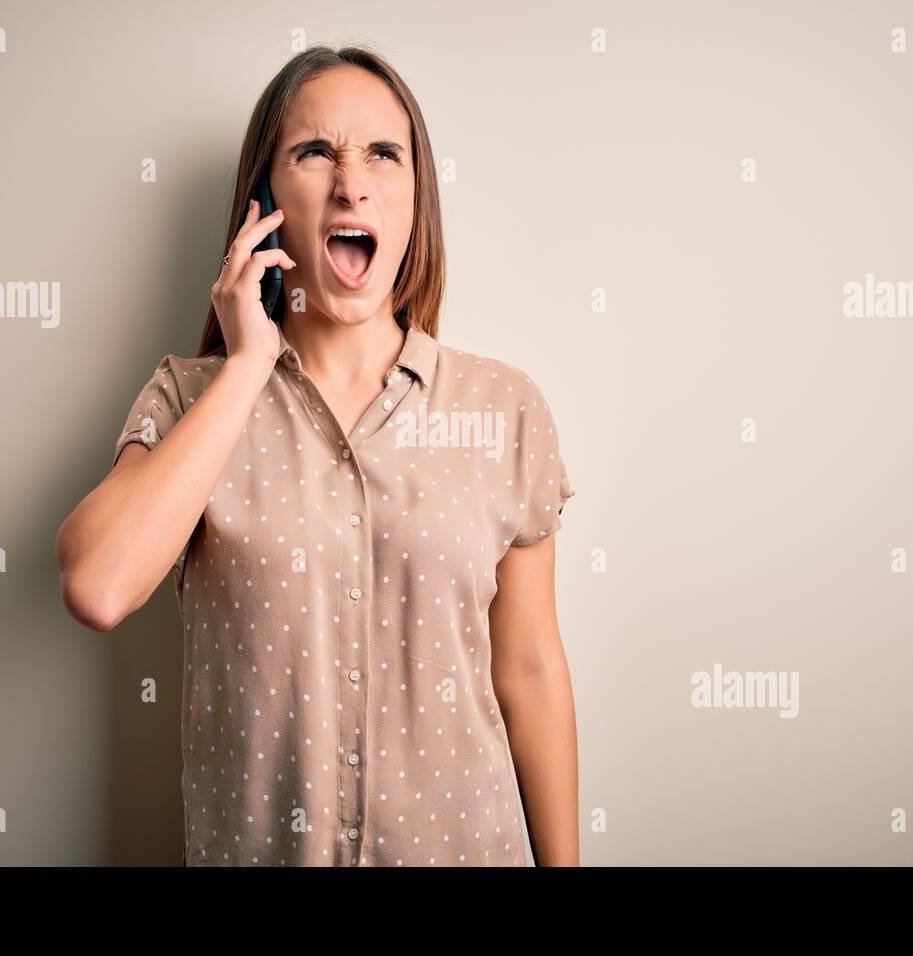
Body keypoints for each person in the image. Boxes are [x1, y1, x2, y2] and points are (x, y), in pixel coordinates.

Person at [56, 45, 577, 866]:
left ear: (415, 198)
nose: (351, 182)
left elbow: (532, 669)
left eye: (382, 153)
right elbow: (97, 585)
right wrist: (249, 363)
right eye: (314, 152)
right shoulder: (189, 400)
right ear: (264, 203)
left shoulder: (503, 408)